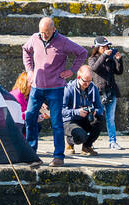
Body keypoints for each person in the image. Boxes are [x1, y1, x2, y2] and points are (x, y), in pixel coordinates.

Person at [22, 17, 87, 165]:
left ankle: (58, 156)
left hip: (55, 88)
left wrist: (72, 70)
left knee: (57, 122)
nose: (43, 35)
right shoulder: (34, 38)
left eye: (46, 32)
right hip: (37, 87)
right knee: (31, 117)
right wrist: (29, 71)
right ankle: (31, 153)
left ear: (53, 29)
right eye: (41, 32)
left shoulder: (63, 41)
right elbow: (25, 50)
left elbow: (82, 52)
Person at [87, 37, 124, 150]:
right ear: (97, 48)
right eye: (103, 46)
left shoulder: (110, 59)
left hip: (111, 92)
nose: (105, 48)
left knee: (110, 119)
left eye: (107, 46)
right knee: (94, 118)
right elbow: (95, 68)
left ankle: (112, 141)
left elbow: (119, 71)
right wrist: (104, 56)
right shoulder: (92, 59)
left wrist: (118, 60)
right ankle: (89, 142)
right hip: (98, 93)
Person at [60, 65, 104, 155]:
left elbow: (100, 108)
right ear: (79, 77)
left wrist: (94, 111)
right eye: (85, 81)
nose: (87, 84)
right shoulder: (68, 88)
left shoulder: (93, 88)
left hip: (85, 119)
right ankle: (69, 142)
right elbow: (61, 111)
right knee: (81, 136)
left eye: (90, 81)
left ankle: (86, 146)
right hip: (70, 121)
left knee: (101, 120)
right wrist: (77, 112)